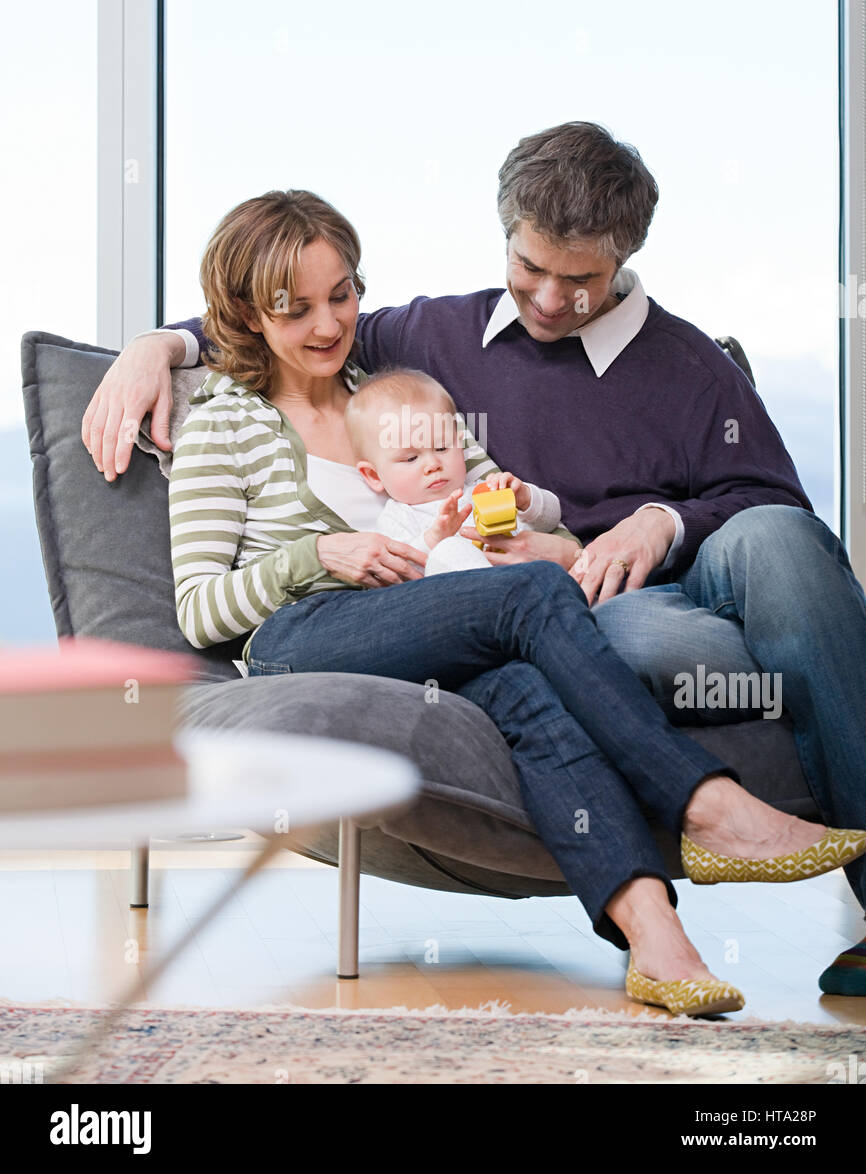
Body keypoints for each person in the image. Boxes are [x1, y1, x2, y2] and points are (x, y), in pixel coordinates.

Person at [81, 122, 866, 996]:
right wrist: (159, 348)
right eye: (531, 268)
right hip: (377, 622)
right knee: (536, 631)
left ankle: (663, 945)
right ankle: (704, 813)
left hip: (526, 607)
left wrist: (594, 529)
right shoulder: (311, 386)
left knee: (598, 650)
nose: (550, 299)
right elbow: (206, 591)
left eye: (343, 297)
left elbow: (538, 500)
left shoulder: (438, 386)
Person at [344, 366, 567, 576]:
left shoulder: (484, 490)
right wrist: (435, 537)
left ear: (460, 445)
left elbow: (551, 519)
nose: (433, 464)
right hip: (475, 605)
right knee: (449, 549)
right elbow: (401, 572)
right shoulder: (398, 518)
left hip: (535, 586)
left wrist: (524, 498)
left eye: (442, 448)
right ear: (373, 476)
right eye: (411, 458)